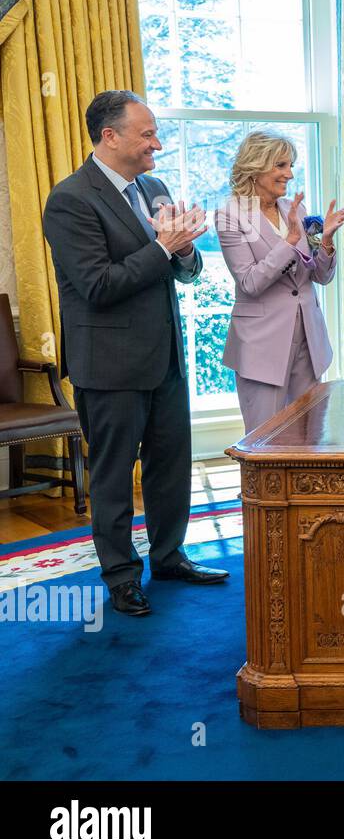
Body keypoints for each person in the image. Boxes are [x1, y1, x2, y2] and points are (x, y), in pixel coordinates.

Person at [43, 90, 228, 616]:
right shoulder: (71, 199)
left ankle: (170, 556)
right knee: (113, 474)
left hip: (164, 357)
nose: (157, 144)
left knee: (171, 466)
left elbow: (181, 273)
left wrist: (186, 251)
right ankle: (121, 576)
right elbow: (99, 285)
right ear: (110, 136)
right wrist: (164, 248)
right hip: (109, 365)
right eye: (147, 134)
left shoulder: (155, 187)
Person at [215, 131, 344, 434]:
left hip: (308, 338)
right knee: (265, 439)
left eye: (290, 165)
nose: (289, 174)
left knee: (310, 435)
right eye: (281, 165)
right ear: (256, 166)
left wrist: (326, 242)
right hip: (261, 344)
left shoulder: (297, 209)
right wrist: (289, 242)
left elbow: (320, 276)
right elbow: (250, 282)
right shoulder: (229, 215)